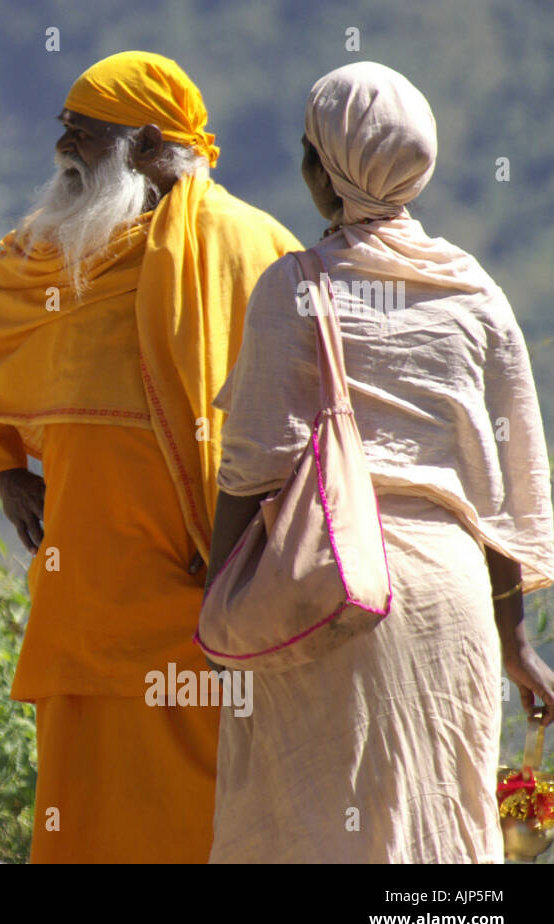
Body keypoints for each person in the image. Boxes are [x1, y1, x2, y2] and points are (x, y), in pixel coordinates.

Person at [0, 51, 299, 863]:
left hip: (206, 600)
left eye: (85, 133)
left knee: (206, 826)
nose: (64, 147)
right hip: (87, 599)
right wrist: (1, 471)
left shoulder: (249, 243)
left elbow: (304, 416)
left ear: (146, 145)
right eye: (63, 127)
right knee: (90, 824)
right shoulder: (46, 248)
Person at [206, 61, 554, 863]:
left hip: (332, 594)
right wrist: (515, 641)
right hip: (456, 604)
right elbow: (503, 495)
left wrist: (219, 595)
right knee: (438, 839)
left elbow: (252, 467)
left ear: (321, 173)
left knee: (314, 827)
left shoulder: (294, 288)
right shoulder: (476, 294)